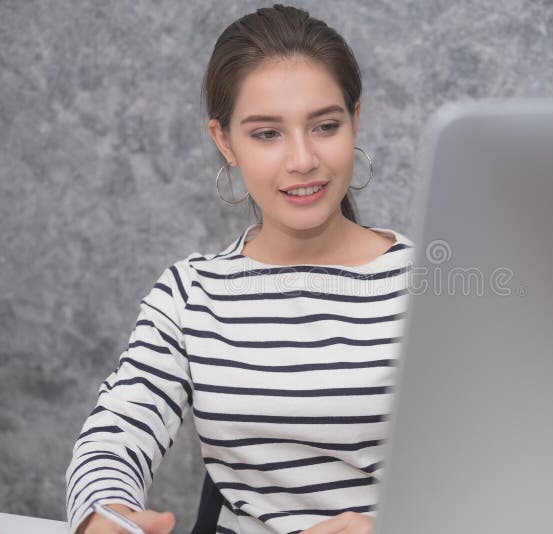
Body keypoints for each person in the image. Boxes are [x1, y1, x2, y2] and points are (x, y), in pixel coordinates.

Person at [64, 4, 415, 534]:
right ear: (225, 142)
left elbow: (503, 459)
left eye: (324, 125)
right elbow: (115, 435)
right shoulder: (189, 292)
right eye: (266, 134)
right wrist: (102, 516)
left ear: (355, 121)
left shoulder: (433, 286)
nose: (302, 160)